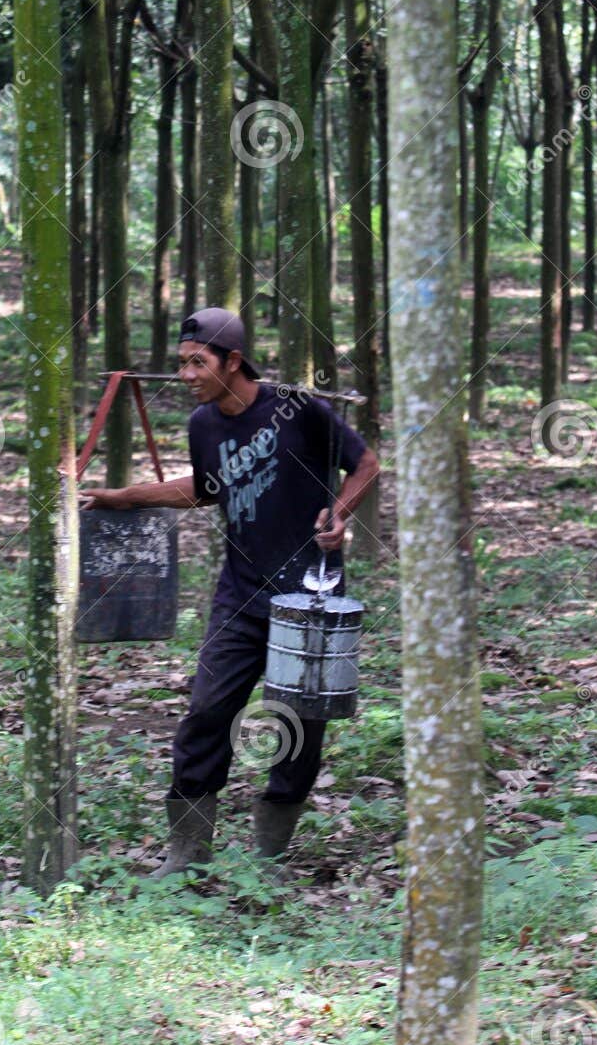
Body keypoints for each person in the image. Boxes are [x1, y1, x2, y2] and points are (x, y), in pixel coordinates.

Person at [81, 307, 380, 874]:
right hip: (240, 593)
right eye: (181, 363)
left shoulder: (298, 410)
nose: (187, 375)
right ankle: (188, 851)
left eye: (199, 363)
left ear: (234, 361)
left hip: (309, 592)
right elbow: (205, 489)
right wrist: (125, 496)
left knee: (300, 720)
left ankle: (271, 850)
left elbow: (365, 463)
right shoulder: (204, 425)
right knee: (207, 710)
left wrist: (340, 514)